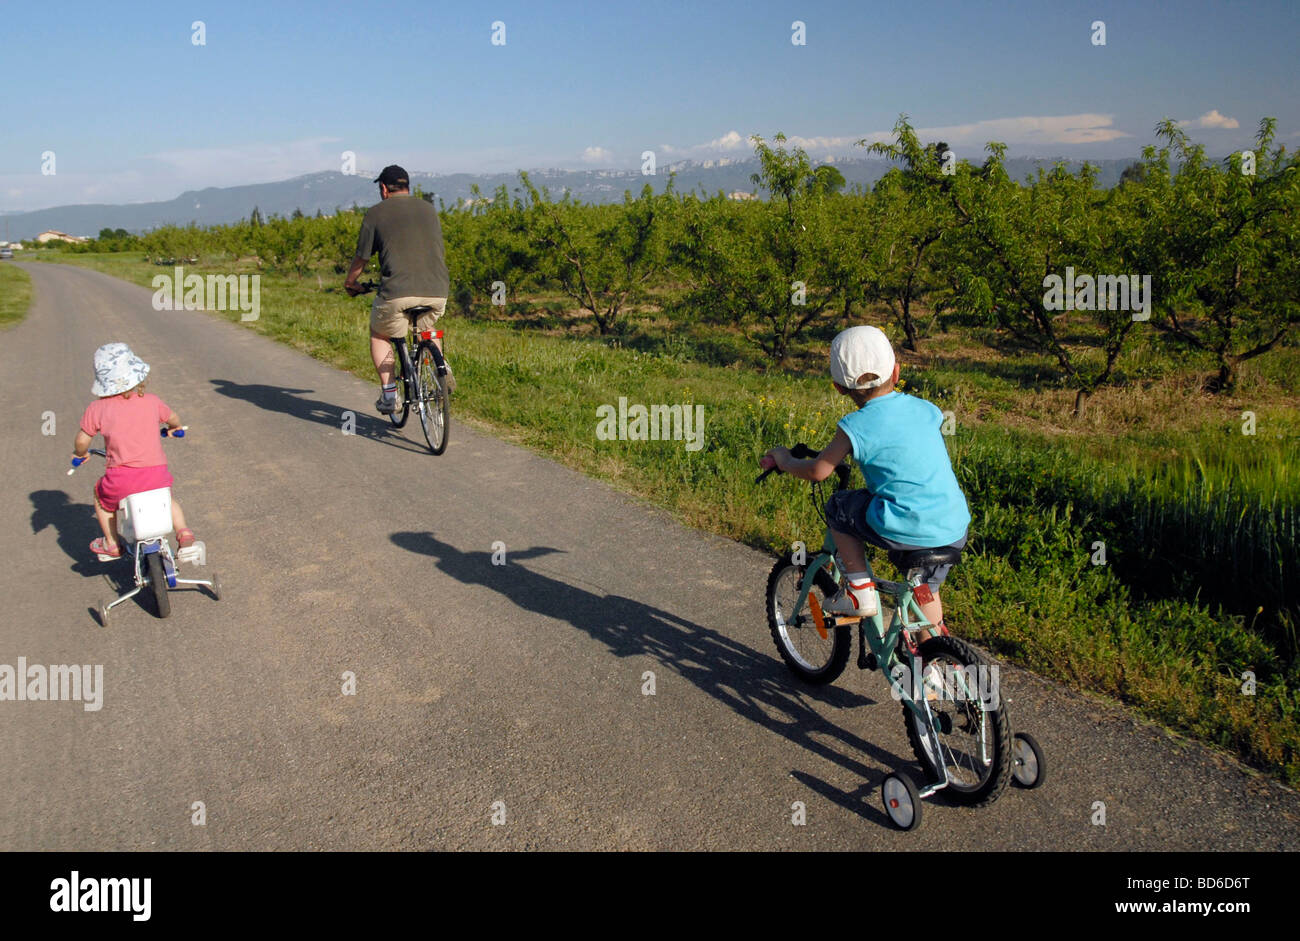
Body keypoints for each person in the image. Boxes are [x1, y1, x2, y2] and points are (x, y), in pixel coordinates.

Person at [762, 325, 970, 634]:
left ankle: (859, 590)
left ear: (838, 387)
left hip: (906, 526)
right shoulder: (928, 409)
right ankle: (934, 663)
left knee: (839, 506)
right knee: (925, 590)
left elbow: (819, 470)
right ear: (896, 372)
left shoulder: (853, 426)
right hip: (952, 525)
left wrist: (784, 460)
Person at [343, 164, 453, 414]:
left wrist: (350, 284)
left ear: (383, 189)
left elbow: (361, 258)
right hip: (437, 290)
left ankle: (390, 395)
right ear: (407, 187)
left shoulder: (375, 213)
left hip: (397, 293)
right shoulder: (428, 209)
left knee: (380, 334)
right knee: (424, 326)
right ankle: (441, 369)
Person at [72, 343, 195, 558]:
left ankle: (111, 543)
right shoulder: (152, 401)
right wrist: (174, 428)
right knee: (165, 498)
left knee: (101, 498)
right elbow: (174, 418)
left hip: (120, 479)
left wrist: (80, 454)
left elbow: (82, 440)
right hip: (155, 475)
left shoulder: (97, 409)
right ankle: (184, 532)